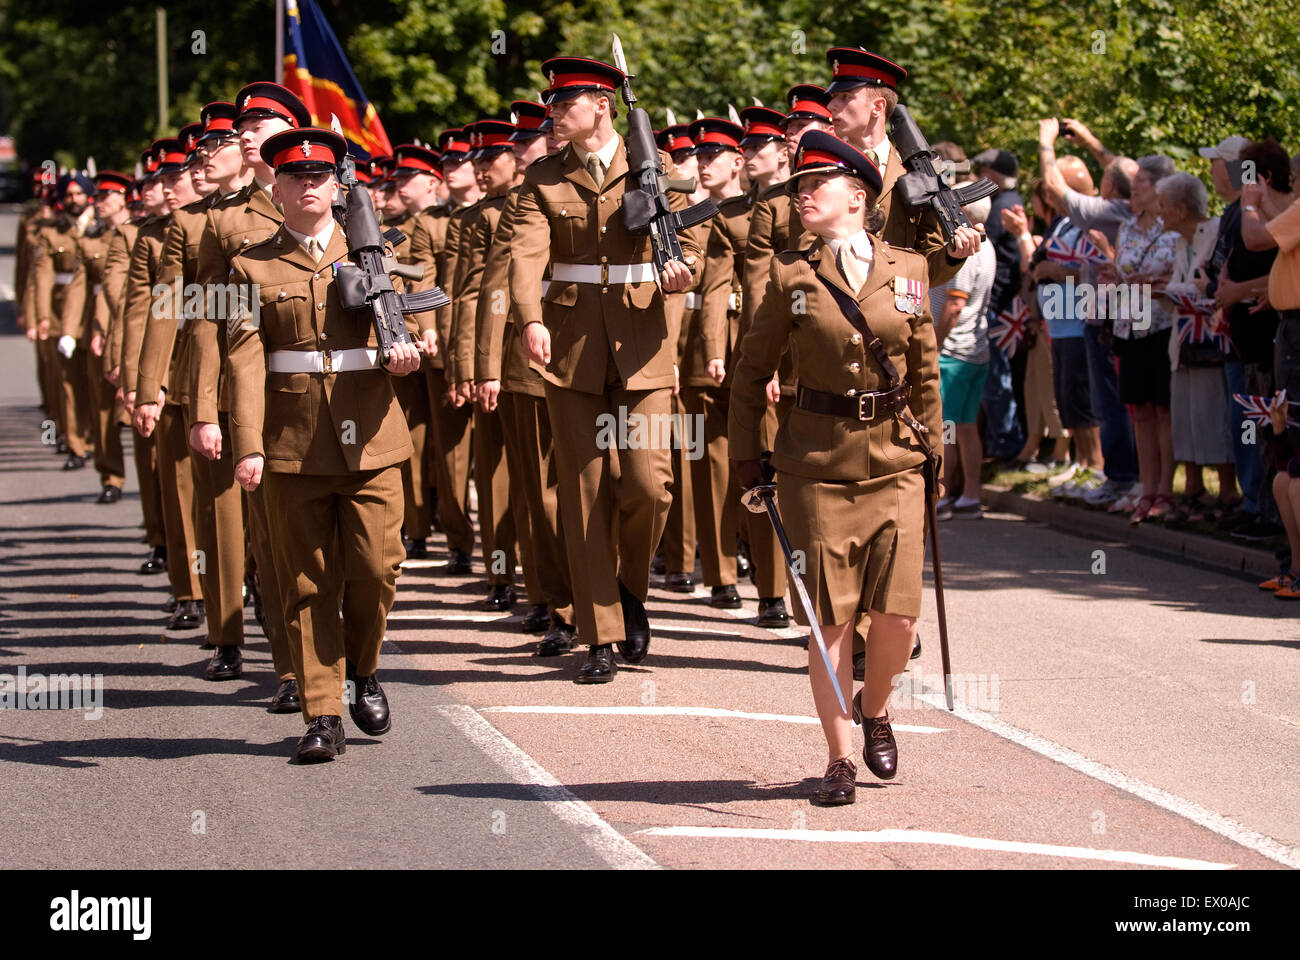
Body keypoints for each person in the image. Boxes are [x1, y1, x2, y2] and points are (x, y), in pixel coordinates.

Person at [731, 131, 940, 805]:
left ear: (857, 196)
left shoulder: (907, 269)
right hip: (813, 469)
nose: (801, 195)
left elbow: (927, 371)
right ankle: (839, 756)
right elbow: (749, 373)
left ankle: (874, 706)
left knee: (899, 618)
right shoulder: (790, 275)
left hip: (897, 461)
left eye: (813, 185)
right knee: (829, 621)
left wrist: (933, 452)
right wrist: (746, 459)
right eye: (797, 186)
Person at [227, 127, 428, 762]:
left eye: (319, 176)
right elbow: (242, 361)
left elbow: (420, 322)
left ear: (336, 186)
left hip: (372, 438)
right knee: (306, 581)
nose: (308, 185)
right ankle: (321, 712)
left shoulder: (377, 251)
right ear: (278, 189)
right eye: (295, 177)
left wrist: (408, 350)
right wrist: (248, 444)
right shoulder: (249, 266)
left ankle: (364, 668)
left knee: (375, 570)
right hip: (294, 445)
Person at [509, 56, 698, 683]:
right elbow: (525, 255)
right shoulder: (542, 176)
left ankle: (629, 586)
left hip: (643, 343)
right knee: (585, 491)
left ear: (603, 103)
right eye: (552, 102)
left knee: (648, 485)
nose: (555, 112)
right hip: (571, 349)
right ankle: (599, 632)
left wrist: (684, 270)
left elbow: (693, 240)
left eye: (566, 102)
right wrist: (530, 319)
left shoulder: (656, 168)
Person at [188, 81, 314, 711]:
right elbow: (209, 320)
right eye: (242, 124)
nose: (244, 131)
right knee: (274, 541)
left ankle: (344, 662)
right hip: (255, 398)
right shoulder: (226, 220)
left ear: (292, 130)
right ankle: (294, 673)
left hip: (331, 396)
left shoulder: (335, 203)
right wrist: (206, 410)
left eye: (260, 122)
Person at [476, 102, 578, 653]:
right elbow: (496, 287)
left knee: (592, 489)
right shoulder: (522, 200)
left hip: (589, 357)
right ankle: (551, 599)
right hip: (530, 362)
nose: (523, 148)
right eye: (519, 142)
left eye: (530, 138)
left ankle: (592, 598)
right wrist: (488, 364)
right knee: (539, 493)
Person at [1038, 118, 1141, 505]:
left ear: (1109, 186)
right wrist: (1090, 140)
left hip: (1108, 317)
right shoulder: (1137, 203)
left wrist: (1046, 142)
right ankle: (1130, 478)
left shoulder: (1106, 211)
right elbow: (1125, 171)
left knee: (1109, 401)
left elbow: (1053, 188)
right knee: (1128, 401)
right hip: (1126, 314)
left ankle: (1120, 477)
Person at [450, 119, 520, 612]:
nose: (479, 167)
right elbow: (469, 294)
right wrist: (469, 364)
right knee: (495, 472)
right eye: (476, 159)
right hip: (498, 350)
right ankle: (501, 573)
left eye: (490, 157)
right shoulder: (477, 217)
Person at [683, 115, 746, 611]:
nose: (701, 164)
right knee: (709, 464)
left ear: (737, 161)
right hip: (700, 351)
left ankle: (765, 571)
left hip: (754, 346)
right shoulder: (689, 214)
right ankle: (721, 570)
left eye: (711, 156)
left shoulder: (759, 211)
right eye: (698, 156)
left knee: (761, 461)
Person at [1104, 154, 1179, 523]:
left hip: (1162, 327)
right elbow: (1122, 272)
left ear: (1162, 186)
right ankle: (1146, 489)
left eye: (1143, 181)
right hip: (1129, 327)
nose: (1135, 186)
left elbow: (1180, 279)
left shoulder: (1175, 229)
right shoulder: (1128, 227)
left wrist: (1151, 285)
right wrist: (1112, 279)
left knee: (1165, 410)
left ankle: (1167, 490)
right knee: (1141, 413)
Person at [1158, 172, 1233, 522]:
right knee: (1185, 415)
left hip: (1211, 340)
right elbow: (1181, 287)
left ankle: (1228, 492)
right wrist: (1165, 291)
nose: (1159, 213)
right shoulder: (1179, 242)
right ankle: (1192, 488)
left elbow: (1209, 286)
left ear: (1182, 208)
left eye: (1164, 205)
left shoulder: (1216, 232)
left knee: (1212, 414)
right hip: (1183, 341)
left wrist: (1163, 291)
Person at [62, 171, 132, 503]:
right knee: (104, 407)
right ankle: (112, 476)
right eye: (98, 198)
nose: (99, 204)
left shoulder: (140, 233)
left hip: (137, 329)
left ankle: (158, 508)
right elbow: (81, 289)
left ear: (123, 198)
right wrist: (70, 331)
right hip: (101, 331)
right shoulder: (90, 241)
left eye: (106, 197)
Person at [933, 165, 995, 519]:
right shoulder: (988, 247)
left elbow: (955, 304)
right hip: (975, 350)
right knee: (967, 427)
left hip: (954, 353)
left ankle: (943, 496)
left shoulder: (969, 247)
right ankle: (970, 494)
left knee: (949, 428)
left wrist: (934, 346)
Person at [971, 147, 1027, 464]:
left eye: (983, 172)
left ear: (992, 175)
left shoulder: (1002, 206)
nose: (979, 177)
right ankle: (1001, 441)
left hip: (996, 302)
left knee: (996, 378)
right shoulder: (1010, 202)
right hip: (999, 300)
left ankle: (1005, 443)